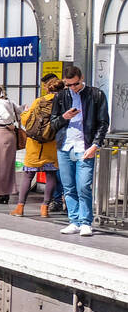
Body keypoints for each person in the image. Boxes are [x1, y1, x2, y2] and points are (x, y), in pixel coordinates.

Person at [50, 64, 110, 236]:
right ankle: (74, 220)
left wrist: (95, 145)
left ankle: (85, 222)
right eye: (69, 85)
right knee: (68, 186)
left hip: (85, 147)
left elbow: (103, 122)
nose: (72, 88)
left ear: (81, 78)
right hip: (65, 146)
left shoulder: (96, 95)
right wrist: (64, 117)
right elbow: (53, 123)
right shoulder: (61, 97)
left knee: (83, 185)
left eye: (75, 84)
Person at [12, 74, 63, 218]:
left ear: (47, 88)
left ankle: (20, 208)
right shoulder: (63, 104)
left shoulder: (39, 101)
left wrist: (26, 112)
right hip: (51, 143)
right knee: (51, 175)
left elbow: (26, 120)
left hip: (35, 144)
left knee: (28, 175)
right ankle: (45, 208)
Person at [0, 83, 23, 204]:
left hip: (0, 133)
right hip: (10, 137)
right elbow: (21, 110)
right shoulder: (10, 102)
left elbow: (6, 116)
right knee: (7, 166)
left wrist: (8, 124)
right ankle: (6, 193)